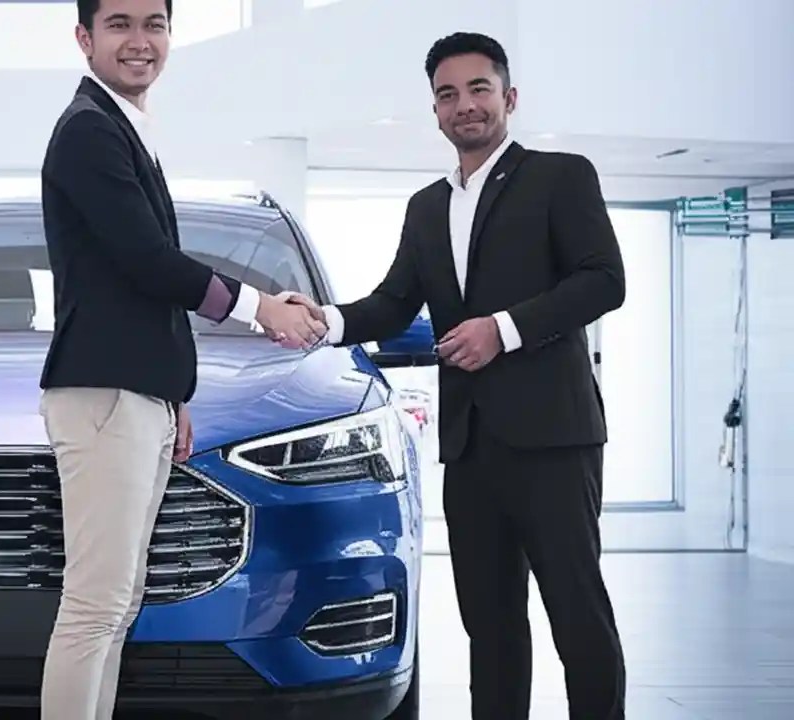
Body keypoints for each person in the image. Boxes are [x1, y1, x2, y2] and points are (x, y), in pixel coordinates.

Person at [286, 31, 627, 720]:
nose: (464, 105)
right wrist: (322, 318)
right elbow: (391, 303)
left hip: (555, 440)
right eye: (448, 95)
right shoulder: (426, 206)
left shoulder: (561, 177)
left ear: (509, 96)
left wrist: (501, 330)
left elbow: (604, 281)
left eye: (478, 89)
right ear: (436, 112)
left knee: (576, 613)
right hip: (471, 446)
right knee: (489, 624)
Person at [35, 1, 326, 718]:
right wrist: (261, 307)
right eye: (120, 24)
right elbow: (147, 260)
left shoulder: (121, 127)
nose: (140, 42)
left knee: (118, 601)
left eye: (154, 25)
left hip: (134, 393)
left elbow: (127, 285)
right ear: (84, 38)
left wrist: (170, 394)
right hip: (104, 395)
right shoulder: (88, 132)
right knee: (96, 605)